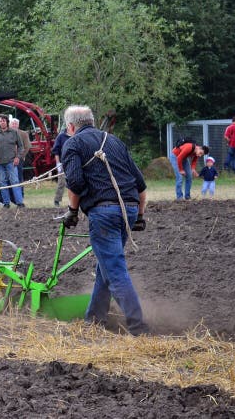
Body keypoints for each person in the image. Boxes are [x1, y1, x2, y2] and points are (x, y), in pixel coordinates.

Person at [60, 105, 149, 336]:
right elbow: (140, 183)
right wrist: (140, 216)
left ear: (71, 126)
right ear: (91, 121)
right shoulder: (114, 141)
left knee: (115, 270)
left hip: (105, 212)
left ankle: (139, 328)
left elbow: (75, 182)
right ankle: (94, 320)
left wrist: (72, 211)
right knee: (106, 267)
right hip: (129, 209)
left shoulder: (73, 144)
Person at [0, 114, 24, 208]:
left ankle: (19, 202)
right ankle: (6, 203)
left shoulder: (14, 132)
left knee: (15, 181)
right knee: (2, 183)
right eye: (0, 121)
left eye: (4, 121)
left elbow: (21, 147)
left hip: (11, 162)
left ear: (7, 122)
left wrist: (18, 157)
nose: (2, 122)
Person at [9, 118, 30, 203]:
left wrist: (20, 157)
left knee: (19, 177)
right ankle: (11, 196)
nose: (14, 125)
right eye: (13, 123)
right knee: (9, 178)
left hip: (19, 159)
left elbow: (27, 146)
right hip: (8, 159)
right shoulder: (7, 133)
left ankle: (21, 195)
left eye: (16, 124)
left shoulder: (23, 134)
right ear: (10, 124)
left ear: (18, 125)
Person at [52, 127, 71, 207]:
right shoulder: (61, 136)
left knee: (75, 183)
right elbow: (56, 151)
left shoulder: (77, 135)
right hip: (63, 163)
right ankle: (57, 200)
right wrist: (58, 163)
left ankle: (74, 202)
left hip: (74, 162)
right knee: (61, 182)